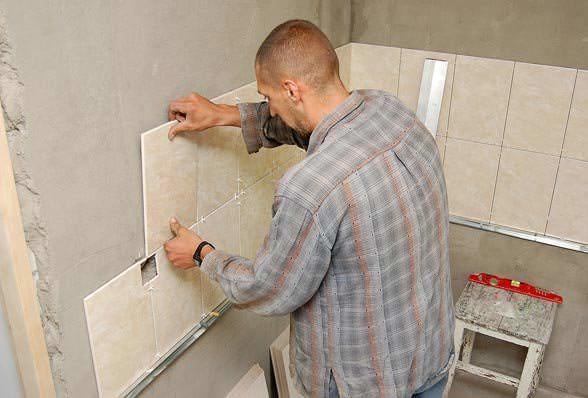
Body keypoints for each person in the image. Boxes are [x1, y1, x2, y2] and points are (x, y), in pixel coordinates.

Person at [164, 19, 454, 398]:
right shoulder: (390, 112)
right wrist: (223, 115)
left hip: (365, 386)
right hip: (427, 358)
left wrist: (203, 254)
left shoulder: (310, 189)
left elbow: (268, 288)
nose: (270, 107)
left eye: (268, 97)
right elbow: (311, 129)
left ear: (291, 89)